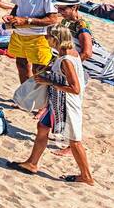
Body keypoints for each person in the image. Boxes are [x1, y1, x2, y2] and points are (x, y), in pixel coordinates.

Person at [12, 26, 94, 185]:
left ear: (56, 39)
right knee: (42, 127)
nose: (45, 39)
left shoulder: (66, 60)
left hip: (66, 104)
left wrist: (49, 81)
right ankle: (32, 163)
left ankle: (86, 176)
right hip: (57, 102)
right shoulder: (69, 53)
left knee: (74, 140)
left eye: (48, 36)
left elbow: (75, 88)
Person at [3, 0, 59, 87]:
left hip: (38, 36)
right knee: (21, 65)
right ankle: (25, 94)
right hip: (19, 34)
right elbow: (17, 7)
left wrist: (27, 21)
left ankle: (40, 100)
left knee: (38, 70)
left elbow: (52, 19)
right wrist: (11, 17)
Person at [55, 0, 114, 83]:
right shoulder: (65, 21)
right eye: (57, 7)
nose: (59, 11)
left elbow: (87, 53)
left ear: (74, 7)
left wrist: (69, 66)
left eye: (62, 9)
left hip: (100, 67)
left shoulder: (81, 25)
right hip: (88, 66)